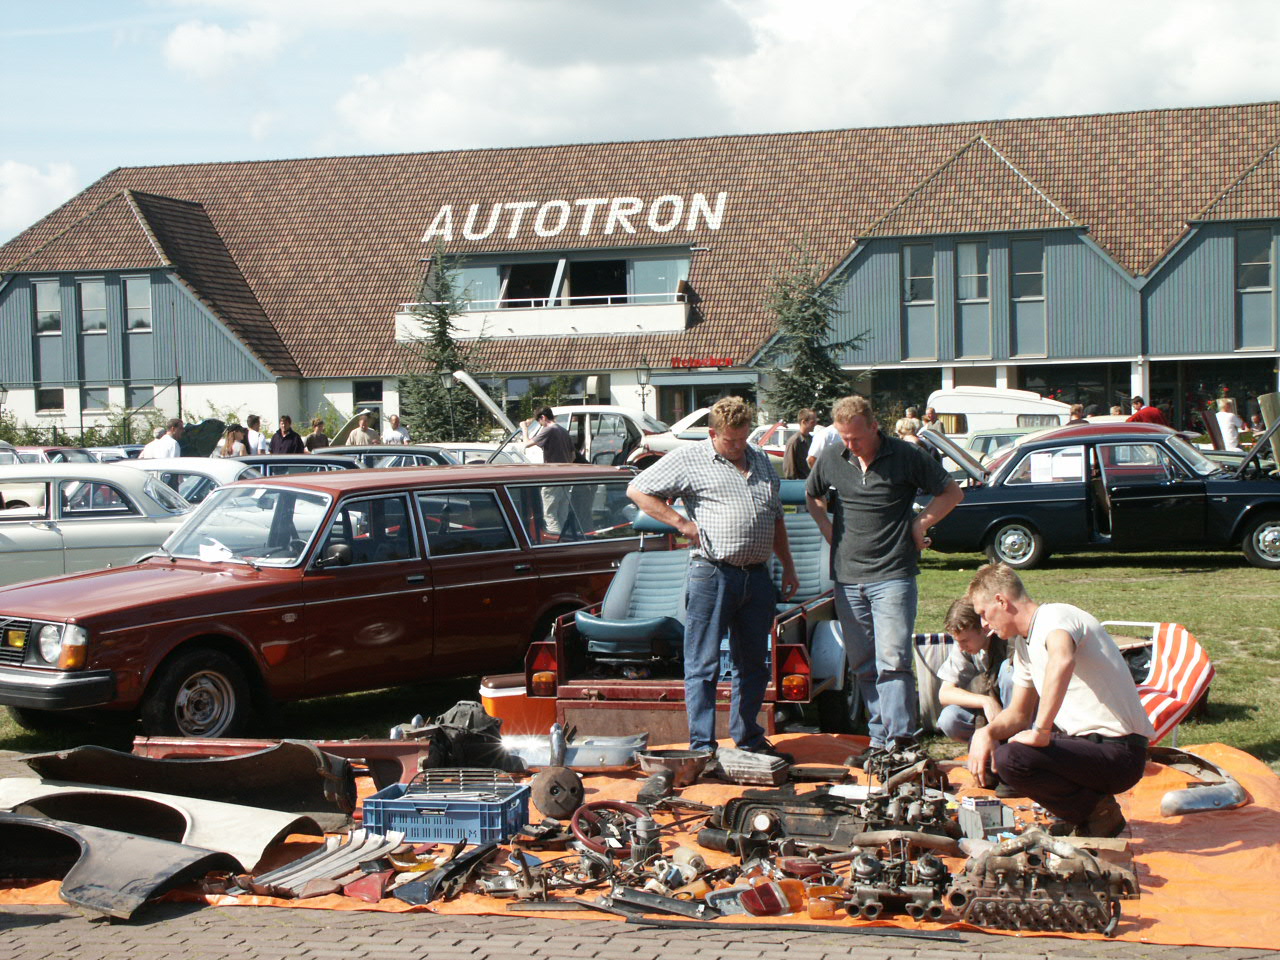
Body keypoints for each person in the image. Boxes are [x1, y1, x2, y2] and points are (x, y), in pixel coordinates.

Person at [628, 396, 799, 756]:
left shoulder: (762, 461)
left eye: (743, 438)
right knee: (703, 663)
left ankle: (749, 738)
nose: (738, 446)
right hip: (712, 573)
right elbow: (638, 490)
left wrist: (788, 564)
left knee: (753, 663)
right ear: (712, 433)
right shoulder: (690, 458)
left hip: (757, 576)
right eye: (730, 440)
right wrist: (681, 523)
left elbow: (775, 518)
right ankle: (701, 746)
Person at [805, 395, 964, 753]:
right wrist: (826, 526)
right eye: (844, 438)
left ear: (875, 426)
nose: (850, 445)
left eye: (856, 438)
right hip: (847, 578)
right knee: (862, 663)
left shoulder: (906, 456)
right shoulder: (833, 457)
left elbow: (952, 492)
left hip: (893, 574)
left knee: (892, 660)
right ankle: (879, 740)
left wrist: (920, 522)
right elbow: (812, 494)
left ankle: (901, 740)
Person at [965, 563, 1155, 838]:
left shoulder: (1055, 616)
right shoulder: (1022, 645)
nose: (984, 625)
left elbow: (1062, 658)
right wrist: (987, 733)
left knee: (1013, 759)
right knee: (1000, 759)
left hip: (1119, 752)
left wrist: (1041, 732)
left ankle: (1098, 815)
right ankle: (1086, 815)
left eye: (984, 614)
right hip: (1087, 747)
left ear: (1001, 601)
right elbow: (1018, 715)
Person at [936, 597, 1013, 750]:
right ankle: (984, 744)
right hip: (987, 708)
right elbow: (945, 694)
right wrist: (986, 701)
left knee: (1007, 670)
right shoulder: (963, 648)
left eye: (965, 640)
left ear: (983, 629)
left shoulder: (1007, 640)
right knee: (949, 719)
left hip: (1016, 709)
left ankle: (1011, 741)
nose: (961, 647)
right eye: (957, 641)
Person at [782, 409, 817, 479]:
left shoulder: (811, 440)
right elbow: (789, 471)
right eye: (813, 422)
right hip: (800, 484)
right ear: (804, 422)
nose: (815, 424)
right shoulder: (794, 442)